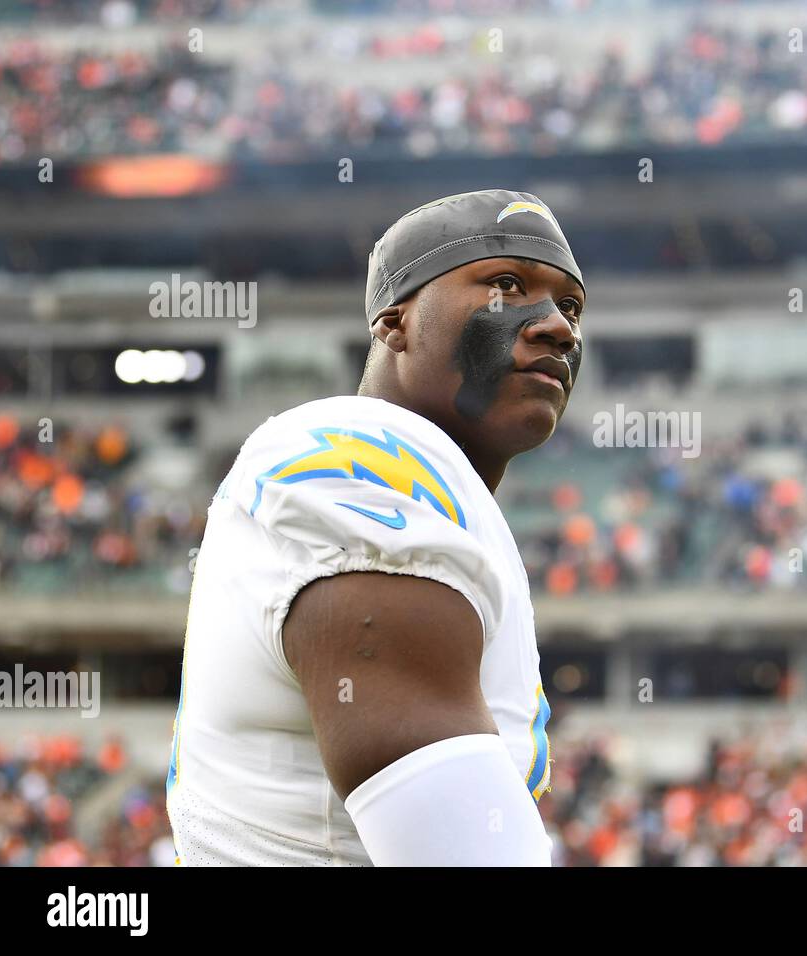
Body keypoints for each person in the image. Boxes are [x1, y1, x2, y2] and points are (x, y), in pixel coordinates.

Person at [165, 189, 586, 865]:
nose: (559, 327)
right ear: (396, 322)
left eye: (571, 306)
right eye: (507, 286)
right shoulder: (359, 455)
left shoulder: (441, 491)